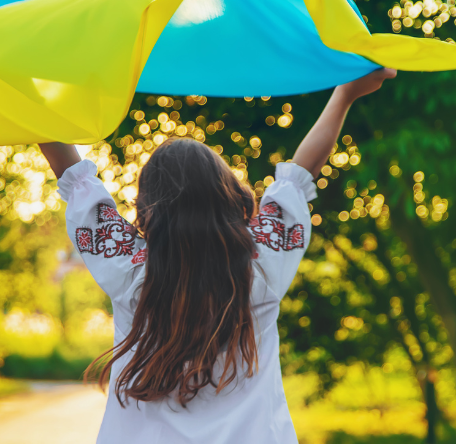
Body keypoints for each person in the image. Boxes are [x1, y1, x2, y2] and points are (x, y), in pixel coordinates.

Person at [38, 67, 396, 443]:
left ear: (147, 208)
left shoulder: (130, 271)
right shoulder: (262, 267)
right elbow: (299, 174)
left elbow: (72, 174)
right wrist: (344, 95)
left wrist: (20, 90)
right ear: (230, 196)